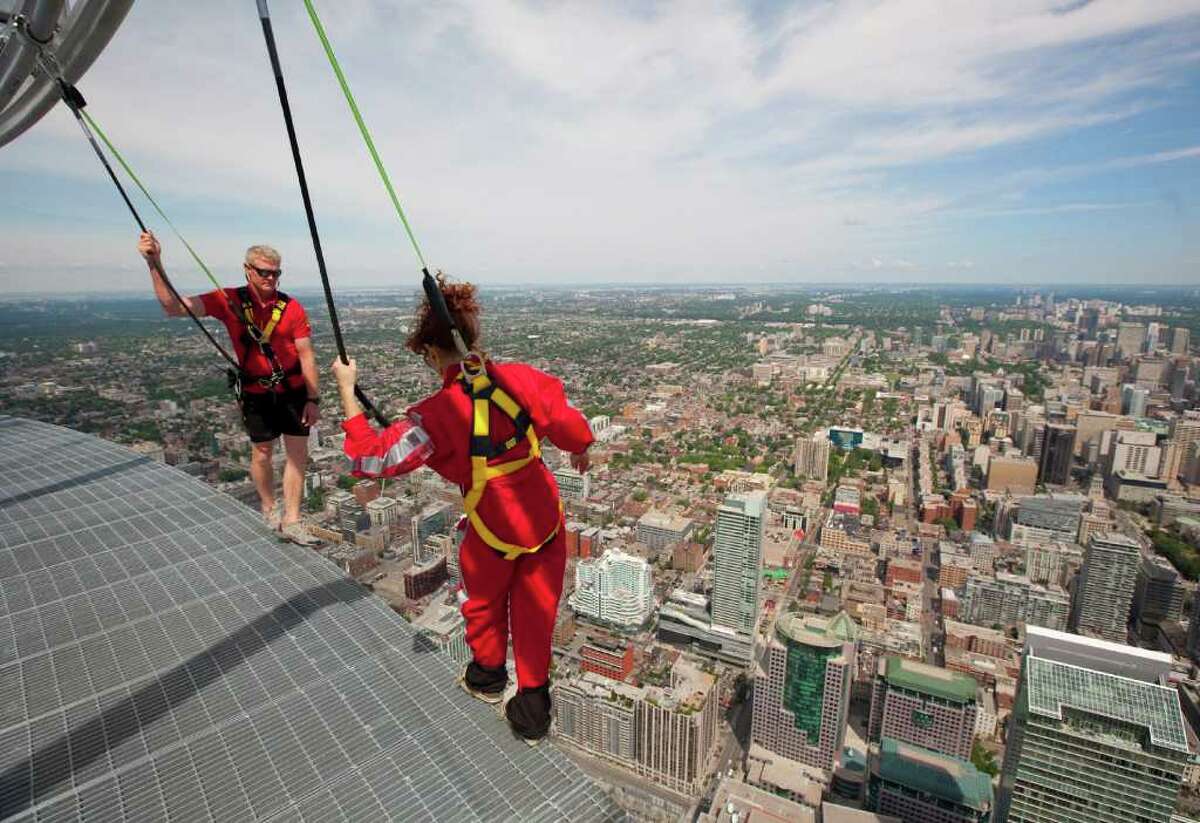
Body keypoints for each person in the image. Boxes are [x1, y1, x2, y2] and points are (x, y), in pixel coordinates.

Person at [331, 276, 592, 744]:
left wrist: (348, 391)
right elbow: (568, 422)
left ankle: (487, 678)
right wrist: (581, 449)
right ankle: (532, 709)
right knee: (537, 610)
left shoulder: (435, 414)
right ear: (474, 339)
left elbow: (370, 458)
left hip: (491, 532)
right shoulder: (522, 379)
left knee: (485, 604)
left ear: (432, 354)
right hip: (543, 522)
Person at [138, 231, 321, 546]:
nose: (271, 278)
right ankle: (268, 505)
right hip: (256, 391)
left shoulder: (292, 308)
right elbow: (174, 307)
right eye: (264, 271)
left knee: (297, 454)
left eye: (276, 272)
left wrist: (313, 397)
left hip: (291, 389)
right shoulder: (229, 301)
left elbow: (306, 354)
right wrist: (154, 262)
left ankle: (292, 518)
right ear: (248, 270)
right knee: (262, 451)